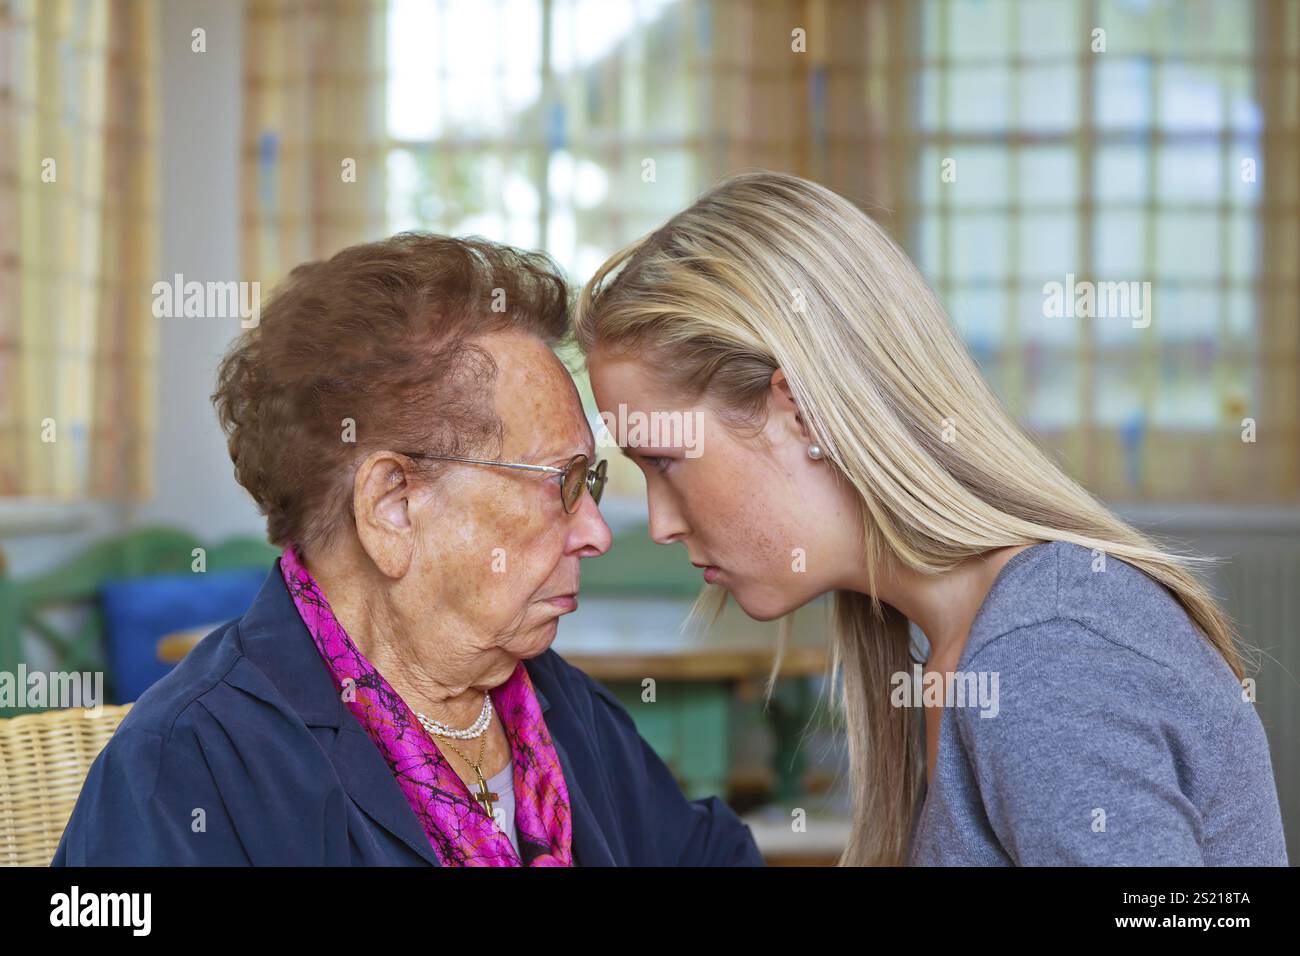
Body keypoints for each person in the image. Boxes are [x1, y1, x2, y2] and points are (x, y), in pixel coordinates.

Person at [574, 171, 1289, 866]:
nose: (661, 523)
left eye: (665, 460)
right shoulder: (958, 640)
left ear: (800, 412)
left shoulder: (1045, 651)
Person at [53, 233, 763, 866]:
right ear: (391, 505)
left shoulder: (558, 705)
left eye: (594, 481)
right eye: (563, 482)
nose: (596, 531)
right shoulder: (188, 767)